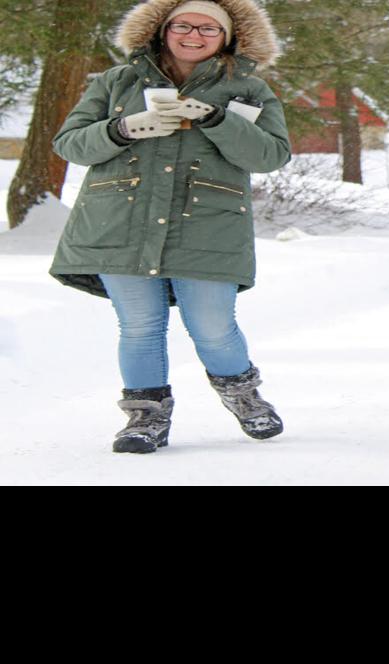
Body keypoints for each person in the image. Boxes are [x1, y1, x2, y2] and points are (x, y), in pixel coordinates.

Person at [49, 0, 291, 454]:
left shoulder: (249, 89)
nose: (194, 35)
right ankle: (146, 418)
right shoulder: (115, 82)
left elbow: (271, 155)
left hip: (209, 226)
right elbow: (69, 144)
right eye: (183, 25)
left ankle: (244, 396)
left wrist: (217, 120)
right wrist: (124, 128)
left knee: (214, 326)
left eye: (208, 29)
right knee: (139, 326)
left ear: (228, 37)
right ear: (163, 29)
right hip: (121, 224)